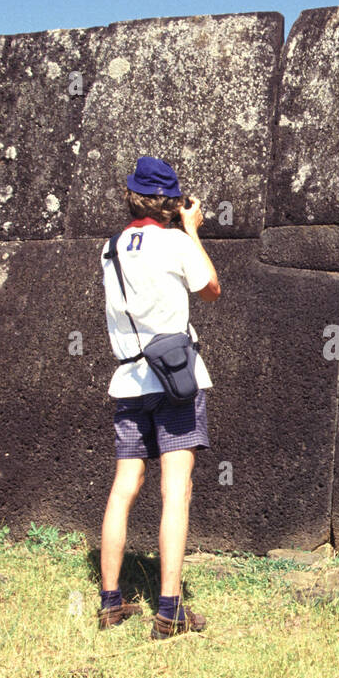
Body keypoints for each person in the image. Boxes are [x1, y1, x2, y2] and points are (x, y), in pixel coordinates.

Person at [97, 156, 221, 639]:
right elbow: (211, 290)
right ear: (171, 201)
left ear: (131, 195)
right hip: (175, 381)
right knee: (176, 490)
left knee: (124, 486)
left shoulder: (110, 249)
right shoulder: (174, 242)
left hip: (128, 380)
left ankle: (111, 603)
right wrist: (192, 229)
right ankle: (169, 610)